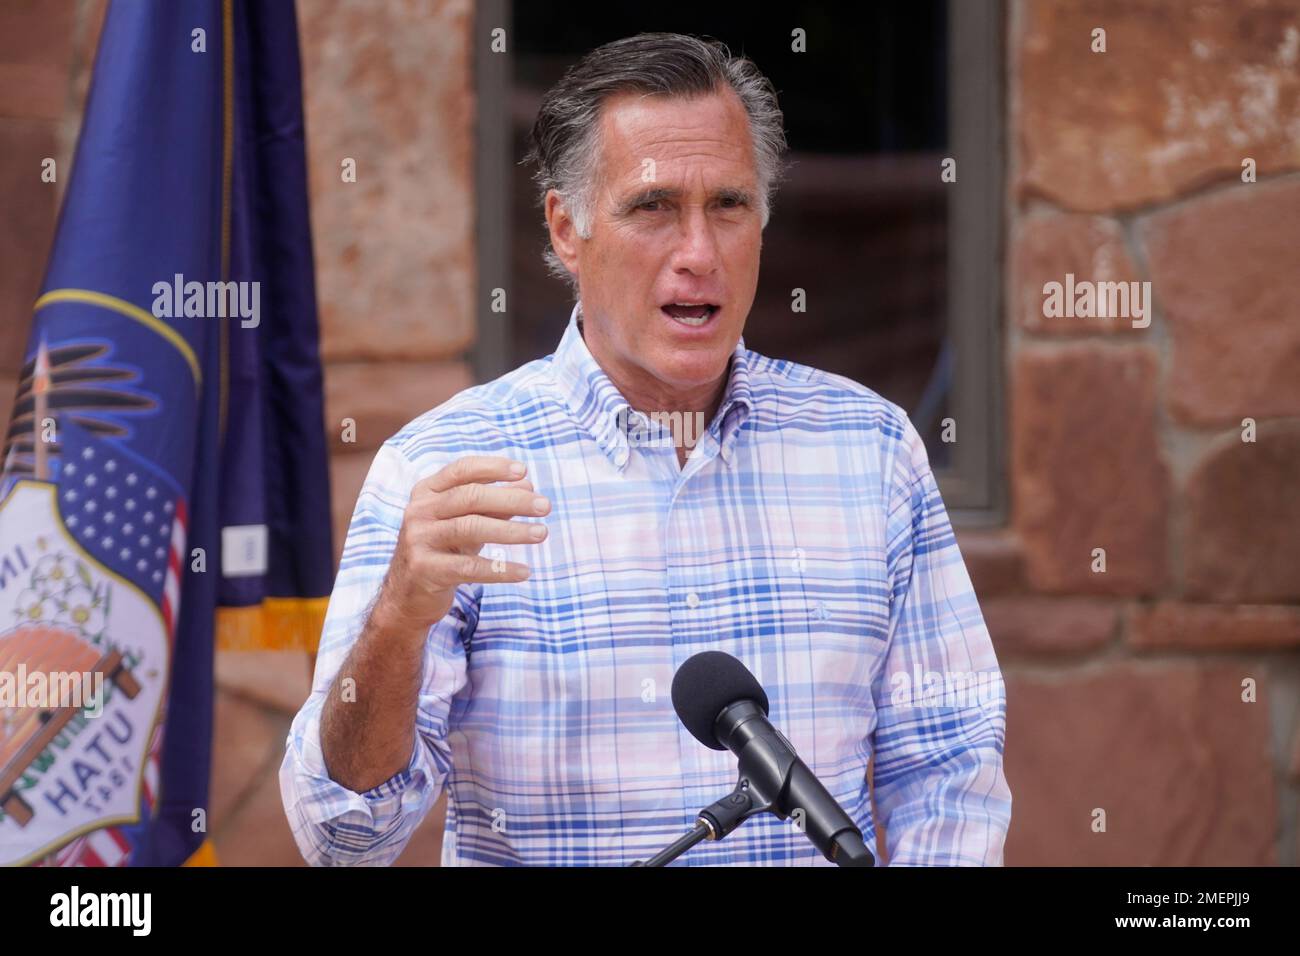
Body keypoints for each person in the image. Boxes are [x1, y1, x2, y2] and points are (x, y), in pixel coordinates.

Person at [280, 32, 1012, 866]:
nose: (698, 254)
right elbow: (343, 837)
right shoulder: (444, 470)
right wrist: (397, 623)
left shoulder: (872, 451)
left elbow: (948, 771)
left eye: (729, 206)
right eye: (653, 207)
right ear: (566, 228)